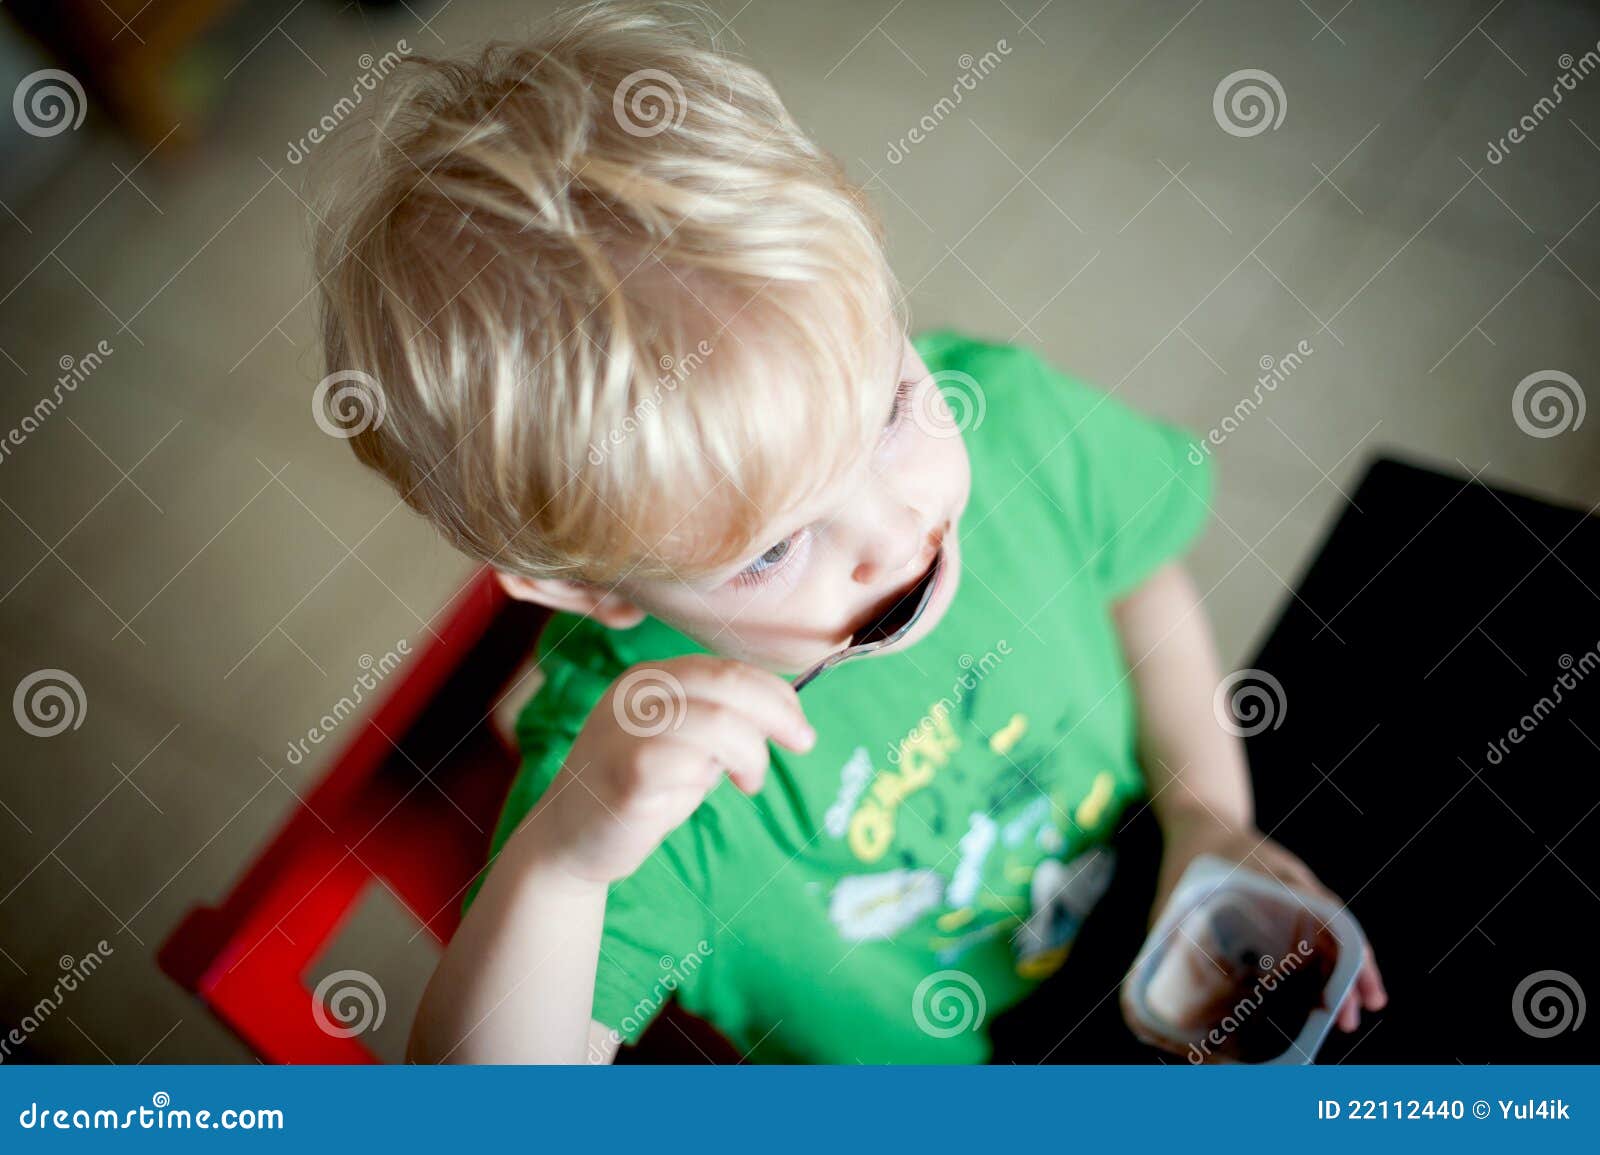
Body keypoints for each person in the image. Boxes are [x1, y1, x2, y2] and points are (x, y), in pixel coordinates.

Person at [309, 1, 1385, 1063]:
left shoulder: (1004, 418)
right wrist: (565, 866)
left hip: (1163, 866)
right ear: (595, 593)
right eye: (771, 550)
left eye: (888, 412)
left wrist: (1205, 817)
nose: (895, 531)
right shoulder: (644, 772)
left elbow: (1136, 580)